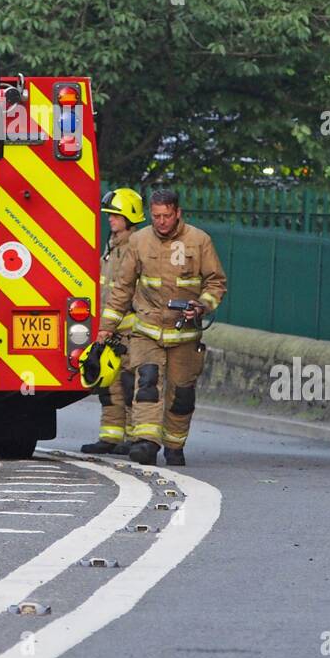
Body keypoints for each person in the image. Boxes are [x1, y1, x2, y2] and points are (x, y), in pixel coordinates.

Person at [96, 188, 226, 466]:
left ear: (177, 213)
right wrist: (107, 326)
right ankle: (145, 443)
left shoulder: (199, 241)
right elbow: (123, 287)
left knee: (181, 394)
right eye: (156, 216)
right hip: (147, 329)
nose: (161, 222)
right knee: (146, 384)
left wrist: (202, 305)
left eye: (167, 216)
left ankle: (174, 446)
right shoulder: (139, 242)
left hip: (185, 333)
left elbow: (216, 282)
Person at [80, 187, 144, 455]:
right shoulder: (112, 246)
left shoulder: (134, 247)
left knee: (130, 385)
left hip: (129, 330)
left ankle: (132, 436)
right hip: (110, 329)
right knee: (109, 384)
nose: (110, 220)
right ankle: (111, 436)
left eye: (115, 215)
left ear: (129, 217)